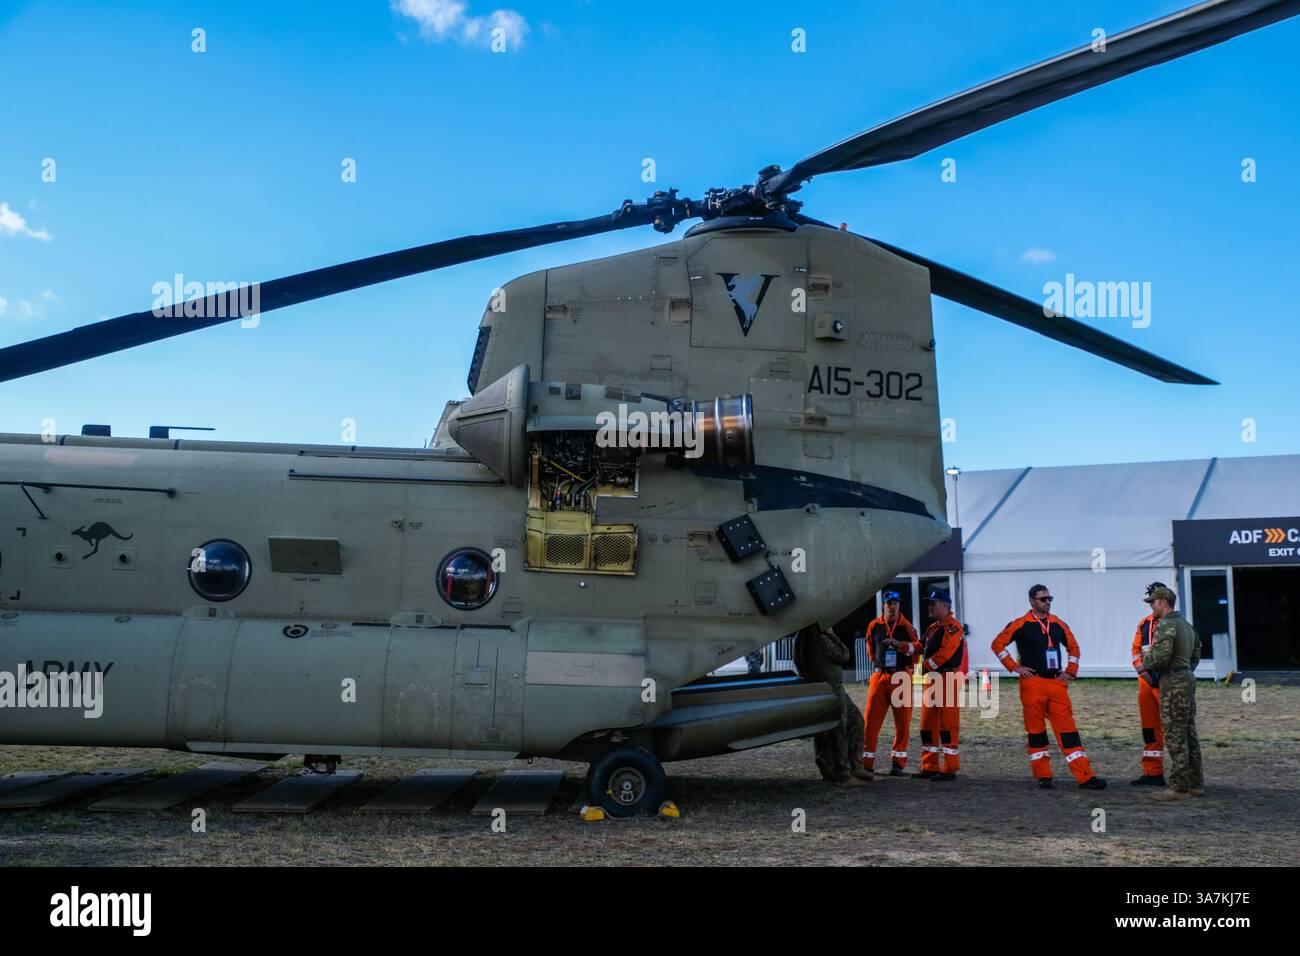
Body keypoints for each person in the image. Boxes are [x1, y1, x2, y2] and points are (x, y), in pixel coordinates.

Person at [991, 584, 1106, 790]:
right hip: (1032, 683)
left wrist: (1070, 671)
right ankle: (1043, 775)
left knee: (1069, 731)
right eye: (1043, 599)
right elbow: (997, 645)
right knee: (1036, 731)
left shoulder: (1058, 624)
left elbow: (1074, 647)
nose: (1047, 602)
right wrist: (1014, 667)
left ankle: (1085, 777)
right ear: (1032, 601)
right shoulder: (1020, 624)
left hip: (1056, 683)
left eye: (1049, 598)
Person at [1142, 586, 1204, 802]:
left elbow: (1161, 656)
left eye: (1153, 602)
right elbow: (1197, 653)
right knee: (1188, 732)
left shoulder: (1166, 624)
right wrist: (1185, 669)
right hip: (1187, 678)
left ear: (1163, 603)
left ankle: (1179, 787)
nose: (1151, 606)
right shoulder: (1187, 626)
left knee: (1174, 734)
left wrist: (1146, 661)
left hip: (1173, 681)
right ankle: (1195, 783)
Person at [798, 625, 871, 786]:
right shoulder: (821, 639)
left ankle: (854, 766)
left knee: (854, 721)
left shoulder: (801, 638)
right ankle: (843, 774)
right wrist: (832, 635)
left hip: (825, 687)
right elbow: (844, 654)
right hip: (830, 688)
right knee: (838, 730)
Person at [861, 591, 921, 776]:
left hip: (901, 676)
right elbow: (870, 648)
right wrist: (878, 664)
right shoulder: (874, 625)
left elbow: (916, 650)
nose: (892, 606)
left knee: (902, 722)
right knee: (870, 721)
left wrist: (900, 646)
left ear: (899, 605)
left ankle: (898, 764)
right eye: (889, 603)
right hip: (879, 677)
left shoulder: (907, 627)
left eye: (895, 603)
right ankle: (866, 763)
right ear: (883, 605)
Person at [917, 588, 964, 781]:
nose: (929, 606)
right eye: (929, 603)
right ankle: (930, 766)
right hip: (932, 679)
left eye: (933, 603)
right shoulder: (933, 628)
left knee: (947, 724)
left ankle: (949, 767)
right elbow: (920, 646)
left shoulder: (953, 626)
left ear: (945, 606)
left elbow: (946, 652)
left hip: (947, 678)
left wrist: (926, 666)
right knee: (927, 723)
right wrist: (902, 645)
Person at [1129, 581, 1168, 786]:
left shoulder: (1175, 624)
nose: (1151, 604)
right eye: (1150, 600)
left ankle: (1184, 775)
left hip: (1167, 683)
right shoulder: (1144, 624)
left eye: (1153, 600)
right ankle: (1153, 772)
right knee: (1149, 728)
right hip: (1146, 683)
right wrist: (1142, 671)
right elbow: (1135, 651)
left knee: (1173, 728)